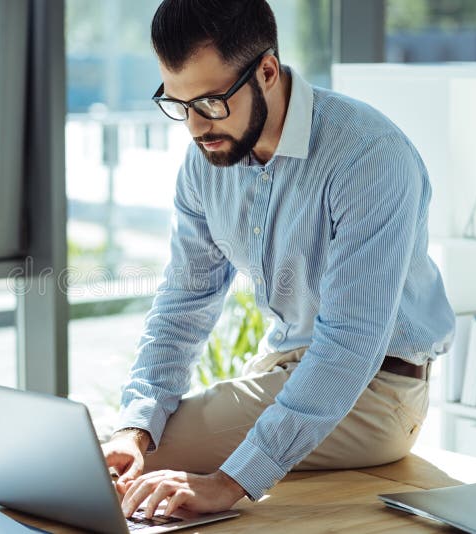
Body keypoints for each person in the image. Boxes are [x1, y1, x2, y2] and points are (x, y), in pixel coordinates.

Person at [102, 0, 455, 520]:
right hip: (283, 371)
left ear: (267, 71)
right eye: (178, 104)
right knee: (120, 455)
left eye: (211, 102)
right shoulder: (207, 163)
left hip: (377, 393)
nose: (196, 127)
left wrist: (230, 484)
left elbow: (348, 347)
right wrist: (136, 425)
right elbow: (183, 304)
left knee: (97, 469)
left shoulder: (368, 157)